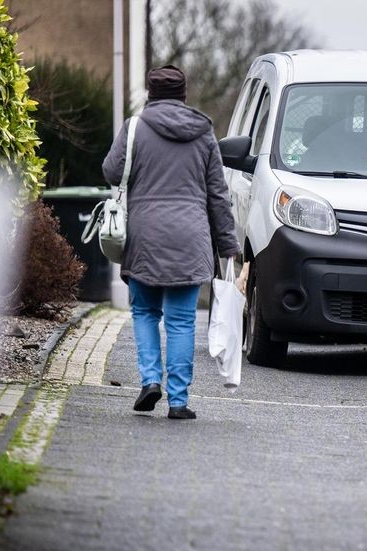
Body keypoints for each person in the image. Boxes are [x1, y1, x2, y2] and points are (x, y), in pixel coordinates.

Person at [102, 65, 239, 420]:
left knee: (145, 311)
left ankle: (150, 380)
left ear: (150, 93)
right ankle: (178, 401)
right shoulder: (204, 132)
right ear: (184, 94)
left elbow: (111, 171)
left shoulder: (134, 128)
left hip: (145, 236)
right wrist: (229, 247)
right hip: (190, 238)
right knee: (181, 321)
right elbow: (218, 196)